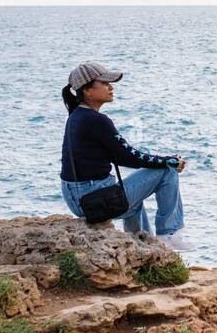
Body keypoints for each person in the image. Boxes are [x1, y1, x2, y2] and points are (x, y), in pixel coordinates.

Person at [59, 62, 192, 251]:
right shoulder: (96, 120)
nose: (110, 87)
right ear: (88, 91)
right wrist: (167, 161)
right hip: (93, 197)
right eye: (104, 83)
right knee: (166, 172)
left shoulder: (77, 116)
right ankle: (168, 234)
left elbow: (121, 155)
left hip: (80, 197)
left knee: (134, 203)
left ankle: (141, 246)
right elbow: (128, 156)